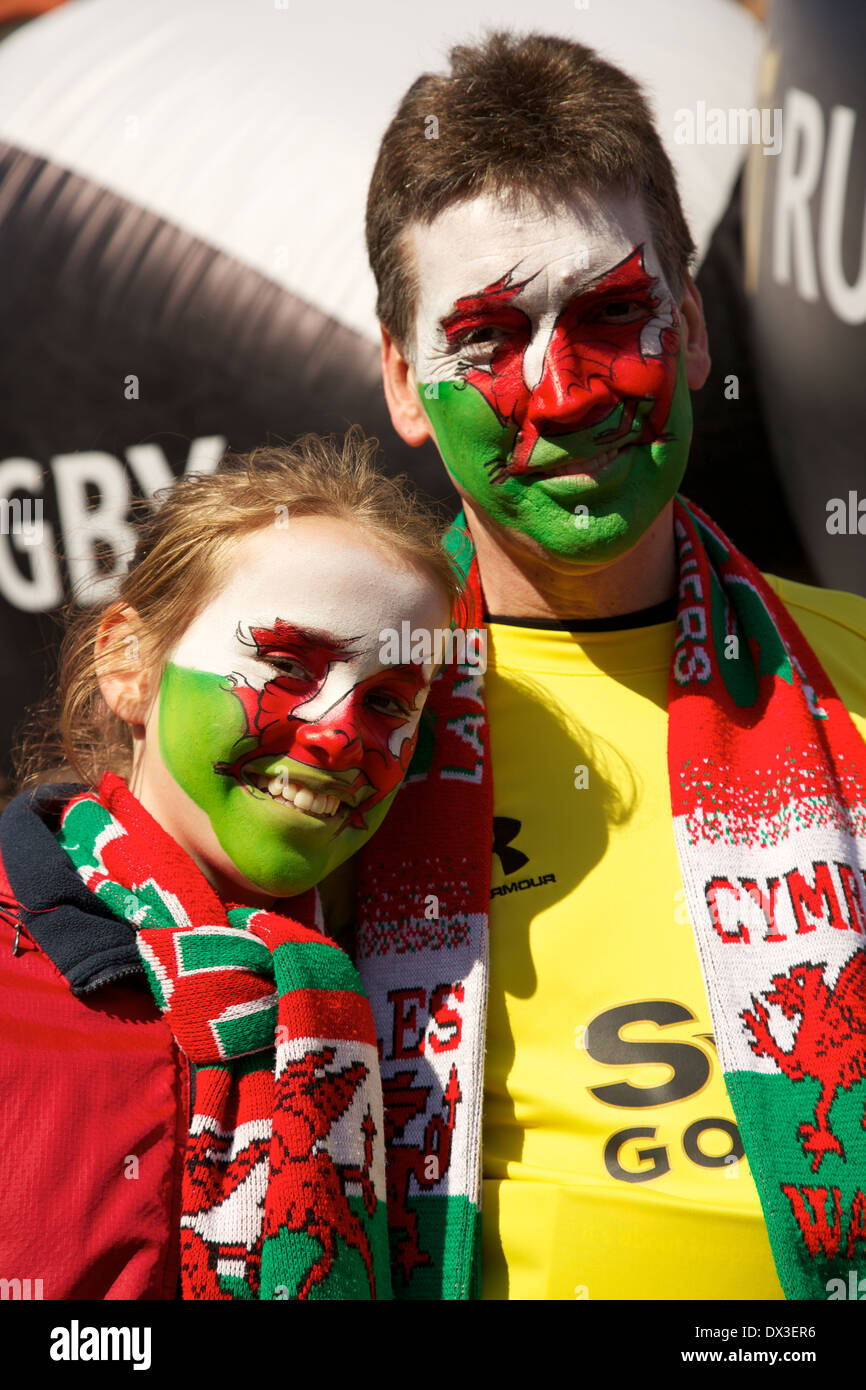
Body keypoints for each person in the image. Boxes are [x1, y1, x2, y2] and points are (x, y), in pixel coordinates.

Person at [338, 30, 866, 1300]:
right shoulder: (328, 726)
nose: (562, 393)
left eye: (612, 313)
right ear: (404, 385)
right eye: (484, 340)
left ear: (688, 332)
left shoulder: (851, 675)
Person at [0, 429, 465, 1299]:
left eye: (391, 700)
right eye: (287, 666)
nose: (337, 736)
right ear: (128, 663)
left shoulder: (423, 999)